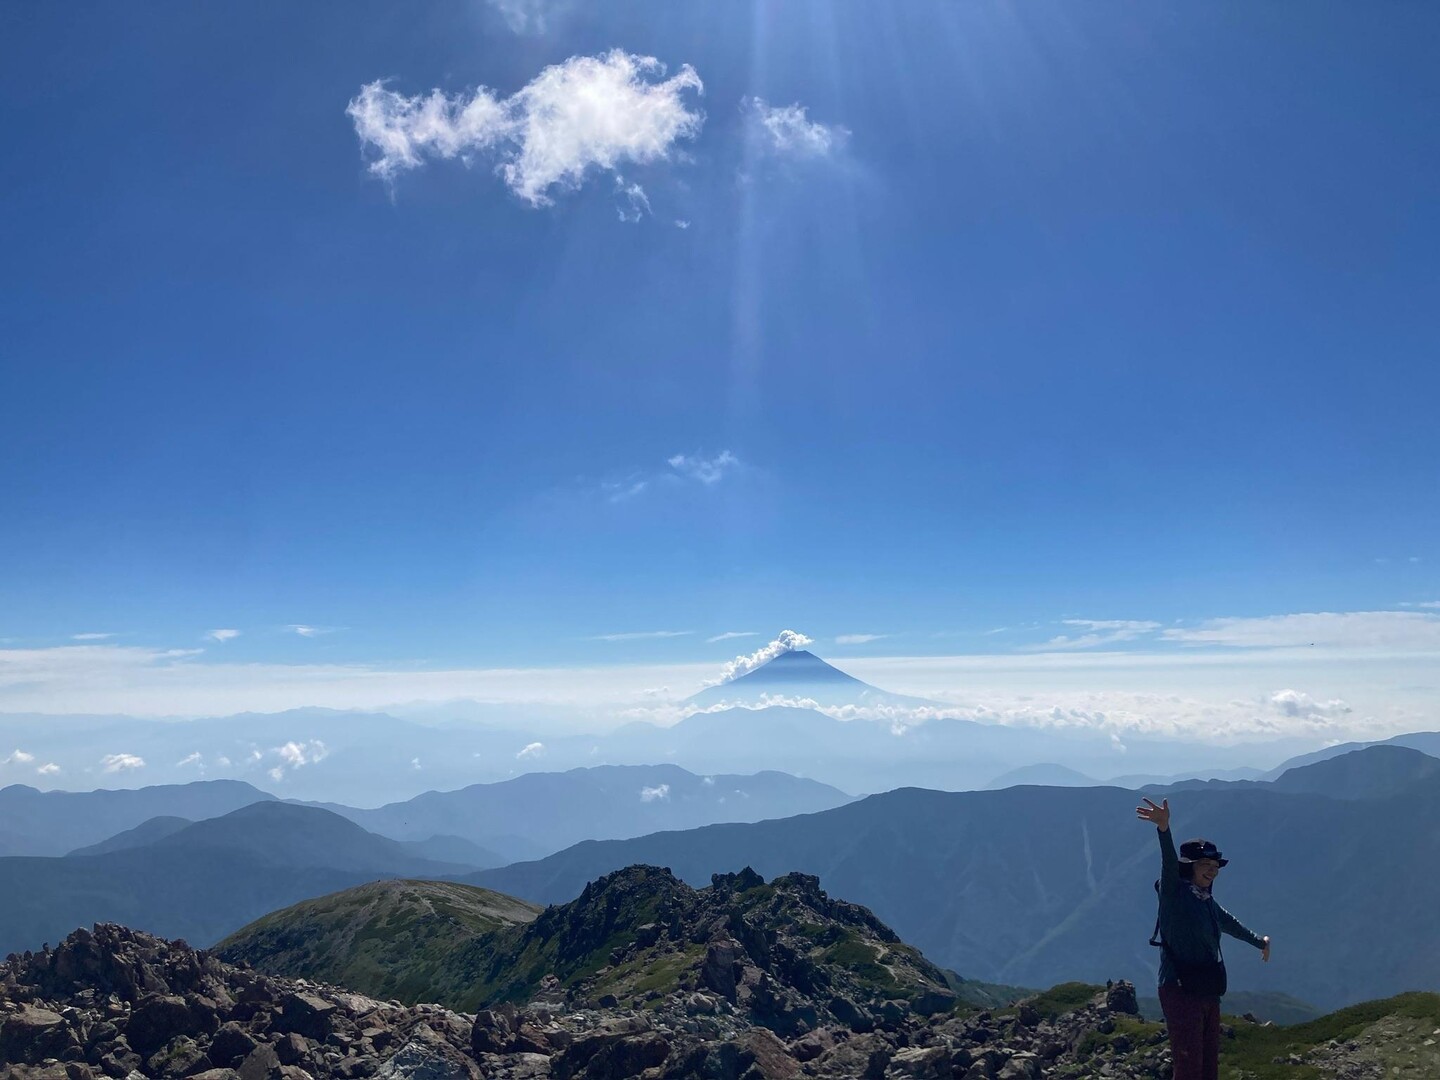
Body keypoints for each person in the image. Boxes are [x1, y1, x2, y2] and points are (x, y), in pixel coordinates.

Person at [1136, 797, 1271, 1080]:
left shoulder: (1206, 899)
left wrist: (1260, 942)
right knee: (1188, 1065)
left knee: (1208, 1066)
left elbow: (1230, 924)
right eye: (1204, 864)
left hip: (1207, 988)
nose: (1211, 870)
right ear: (1190, 867)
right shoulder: (1174, 893)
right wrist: (1163, 829)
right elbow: (1168, 864)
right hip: (1180, 988)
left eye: (1215, 865)